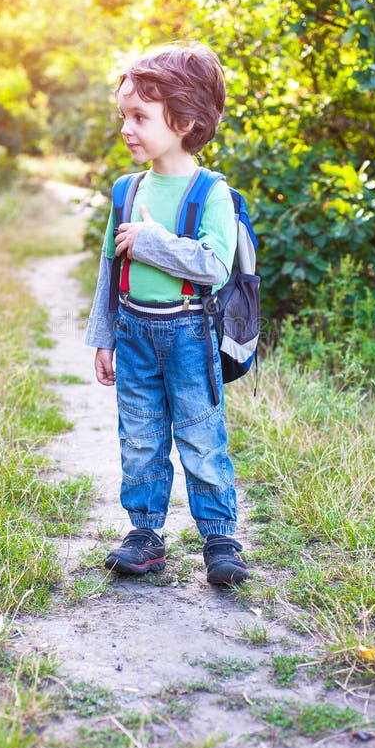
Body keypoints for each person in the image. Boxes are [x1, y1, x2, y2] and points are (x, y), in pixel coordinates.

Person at [84, 42, 249, 585]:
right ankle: (145, 534)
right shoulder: (127, 190)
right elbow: (112, 267)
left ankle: (220, 538)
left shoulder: (212, 193)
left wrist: (154, 240)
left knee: (202, 436)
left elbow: (213, 266)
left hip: (189, 332)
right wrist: (103, 337)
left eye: (140, 117)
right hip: (132, 329)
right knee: (141, 437)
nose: (127, 128)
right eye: (124, 116)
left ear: (184, 120)